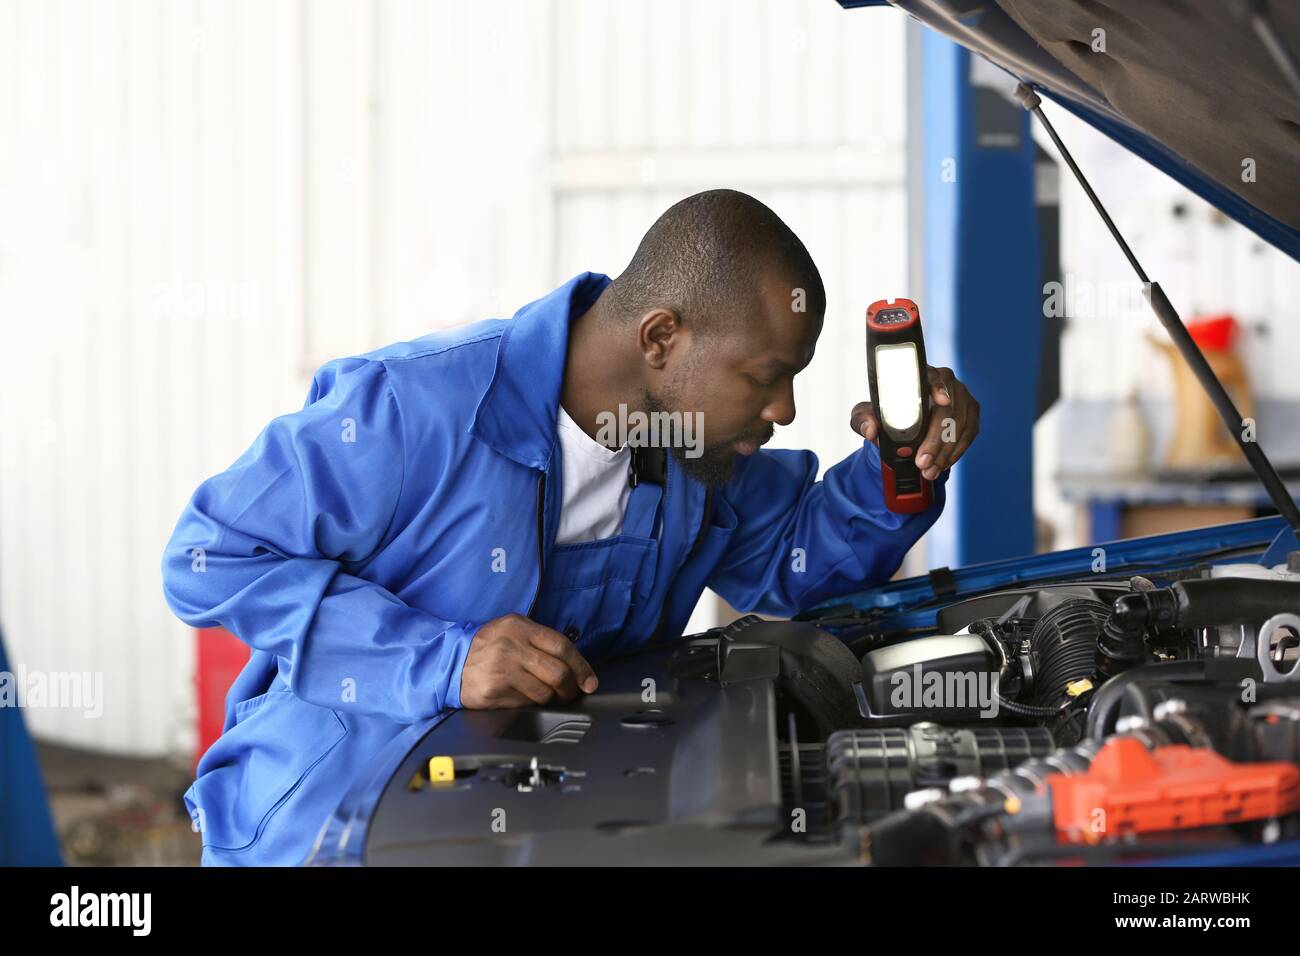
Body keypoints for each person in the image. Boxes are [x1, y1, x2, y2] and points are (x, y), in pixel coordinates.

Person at [162, 189, 980, 865]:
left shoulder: (688, 454)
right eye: (766, 378)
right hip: (322, 830)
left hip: (525, 831)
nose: (785, 411)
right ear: (662, 337)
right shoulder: (414, 412)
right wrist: (443, 660)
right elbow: (209, 557)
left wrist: (898, 473)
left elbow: (796, 562)